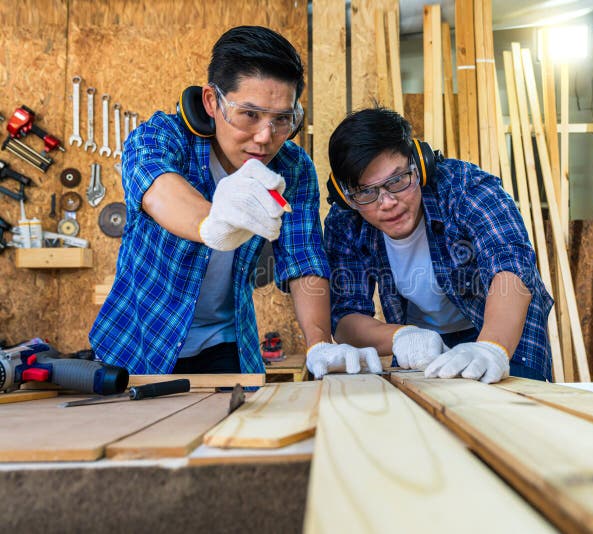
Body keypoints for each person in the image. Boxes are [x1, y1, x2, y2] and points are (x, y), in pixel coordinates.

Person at [90, 26, 379, 376]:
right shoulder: (161, 136)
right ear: (212, 102)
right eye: (250, 115)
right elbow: (159, 193)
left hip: (226, 345)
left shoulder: (293, 168)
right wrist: (213, 223)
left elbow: (304, 259)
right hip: (134, 342)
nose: (265, 137)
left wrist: (319, 344)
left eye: (282, 120)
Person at [319, 107, 554, 384]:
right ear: (346, 195)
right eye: (367, 192)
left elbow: (511, 269)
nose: (387, 202)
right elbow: (346, 316)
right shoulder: (346, 219)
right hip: (423, 343)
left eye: (397, 181)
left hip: (501, 327)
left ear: (420, 165)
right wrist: (402, 336)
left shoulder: (465, 188)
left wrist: (492, 348)